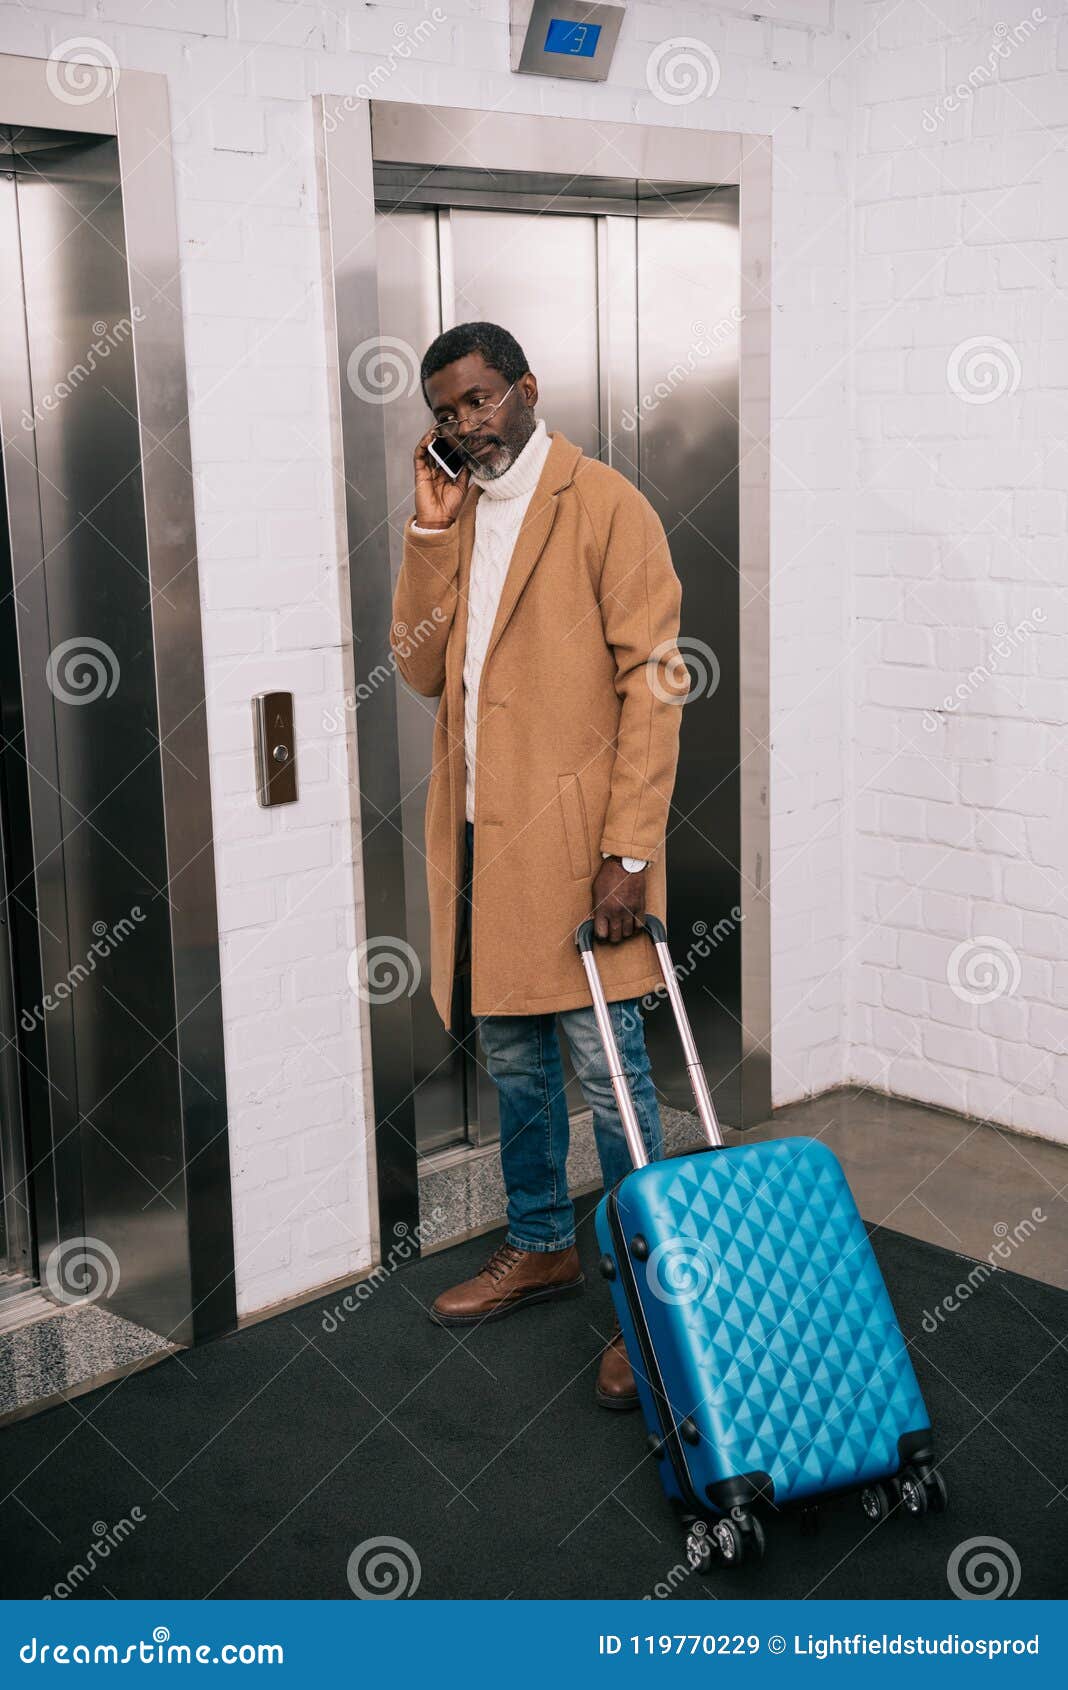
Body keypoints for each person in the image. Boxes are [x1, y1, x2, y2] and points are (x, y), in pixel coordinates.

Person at [390, 321, 686, 1408]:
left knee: (611, 1078)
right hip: (482, 846)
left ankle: (658, 1308)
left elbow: (655, 681)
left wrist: (629, 853)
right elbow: (419, 668)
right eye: (448, 412)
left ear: (526, 390)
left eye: (480, 401)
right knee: (515, 1065)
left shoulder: (605, 503)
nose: (467, 425)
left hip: (579, 854)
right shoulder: (457, 513)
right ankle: (541, 1244)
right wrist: (428, 532)